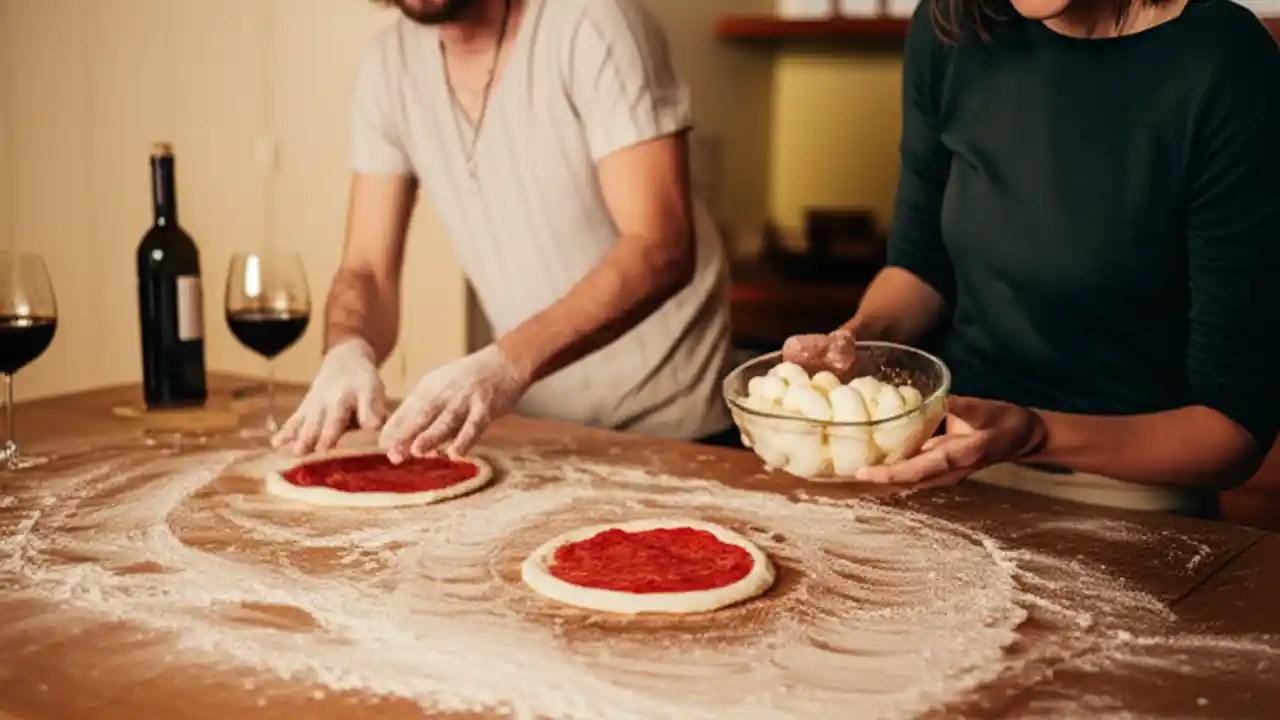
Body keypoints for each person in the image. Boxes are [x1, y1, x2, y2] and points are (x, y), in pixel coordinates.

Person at [785, 0, 1280, 511]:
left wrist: (1034, 433)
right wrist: (858, 341)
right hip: (941, 461)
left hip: (1127, 497)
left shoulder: (1225, 62)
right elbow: (919, 270)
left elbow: (1233, 435)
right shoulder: (952, 24)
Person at [273, 0, 735, 460]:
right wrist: (347, 348)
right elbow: (368, 268)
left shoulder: (592, 22)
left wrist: (506, 364)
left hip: (672, 427)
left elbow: (661, 245)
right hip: (537, 432)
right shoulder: (388, 63)